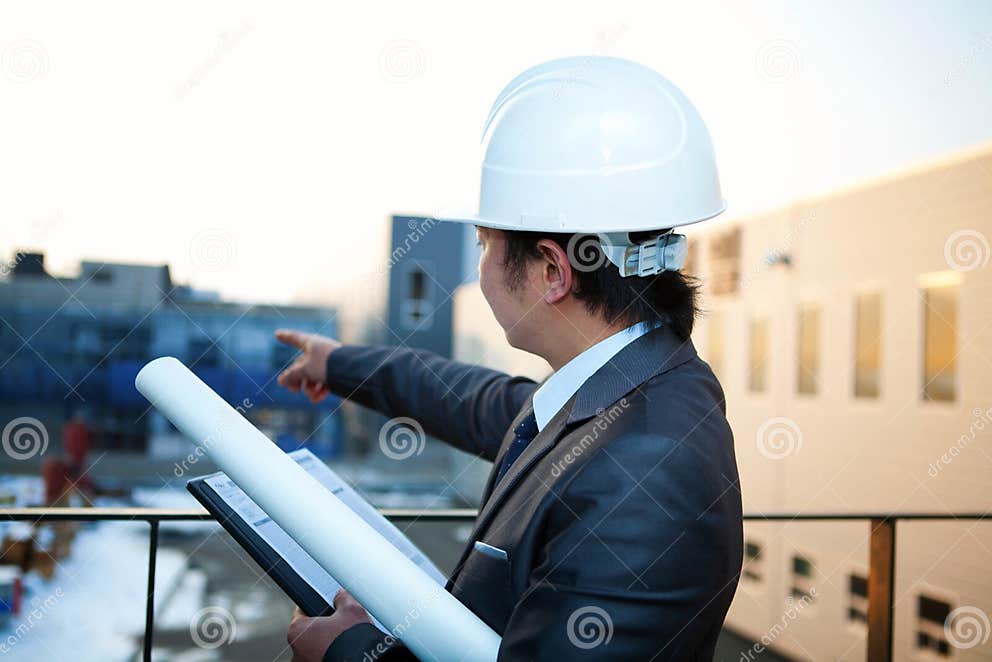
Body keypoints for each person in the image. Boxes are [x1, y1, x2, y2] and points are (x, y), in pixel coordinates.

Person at [278, 56, 743, 661]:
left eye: (483, 244)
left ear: (552, 271)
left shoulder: (642, 464)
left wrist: (349, 652)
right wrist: (339, 363)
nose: (479, 267)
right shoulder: (626, 393)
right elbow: (474, 401)